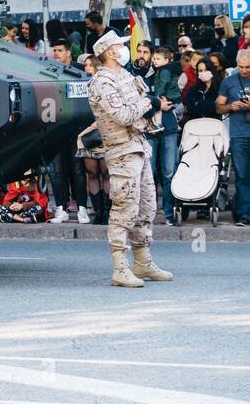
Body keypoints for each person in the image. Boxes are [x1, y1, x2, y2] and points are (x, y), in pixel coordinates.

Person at [86, 30, 172, 287]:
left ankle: (143, 262)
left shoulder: (125, 75)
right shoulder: (102, 82)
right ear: (110, 52)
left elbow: (139, 109)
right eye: (120, 46)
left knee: (146, 206)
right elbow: (123, 116)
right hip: (122, 150)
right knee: (124, 208)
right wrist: (149, 103)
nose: (126, 49)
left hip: (139, 145)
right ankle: (119, 268)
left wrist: (147, 105)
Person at [215, 49, 250, 227]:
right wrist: (231, 106)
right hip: (238, 134)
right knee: (242, 176)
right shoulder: (229, 81)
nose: (244, 70)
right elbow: (218, 108)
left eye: (248, 67)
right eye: (241, 67)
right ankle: (244, 215)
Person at [151, 47, 183, 224]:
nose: (154, 61)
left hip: (168, 122)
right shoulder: (157, 72)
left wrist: (158, 100)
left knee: (169, 171)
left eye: (157, 58)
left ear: (167, 59)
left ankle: (169, 212)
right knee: (151, 172)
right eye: (153, 58)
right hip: (154, 126)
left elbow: (160, 91)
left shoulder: (163, 72)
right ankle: (155, 212)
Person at [182, 55, 223, 121]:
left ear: (212, 70)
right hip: (197, 124)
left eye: (206, 70)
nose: (203, 73)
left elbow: (219, 109)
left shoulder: (220, 87)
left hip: (215, 124)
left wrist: (199, 103)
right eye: (200, 70)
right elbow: (191, 109)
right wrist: (211, 105)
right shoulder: (193, 89)